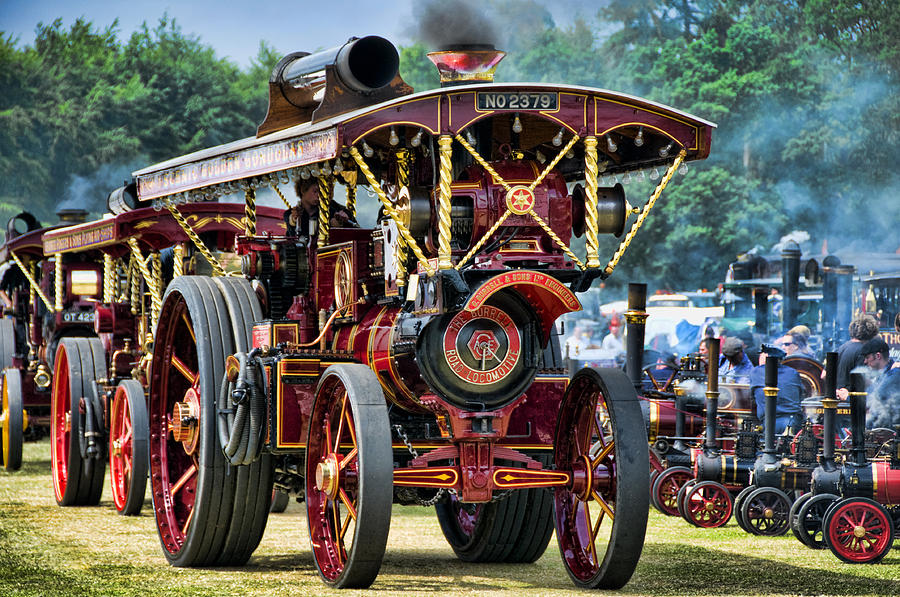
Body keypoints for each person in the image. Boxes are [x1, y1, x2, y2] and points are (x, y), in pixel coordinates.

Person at [749, 347, 804, 434]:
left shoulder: (755, 372)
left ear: (766, 356)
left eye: (761, 354)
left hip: (768, 423)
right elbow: (800, 396)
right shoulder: (792, 372)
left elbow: (752, 398)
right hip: (792, 421)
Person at [285, 177, 358, 241]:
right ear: (303, 190)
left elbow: (352, 224)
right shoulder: (290, 214)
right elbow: (292, 230)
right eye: (315, 191)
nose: (319, 195)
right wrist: (294, 219)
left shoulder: (331, 208)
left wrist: (340, 221)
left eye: (323, 191)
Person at [859, 336, 900, 429]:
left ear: (878, 356)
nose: (865, 362)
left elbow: (875, 397)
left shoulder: (895, 374)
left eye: (867, 357)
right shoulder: (882, 375)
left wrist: (848, 396)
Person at [835, 314, 880, 398]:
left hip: (837, 402)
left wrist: (837, 390)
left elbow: (824, 375)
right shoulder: (864, 351)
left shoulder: (840, 348)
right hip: (854, 403)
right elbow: (864, 381)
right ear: (871, 333)